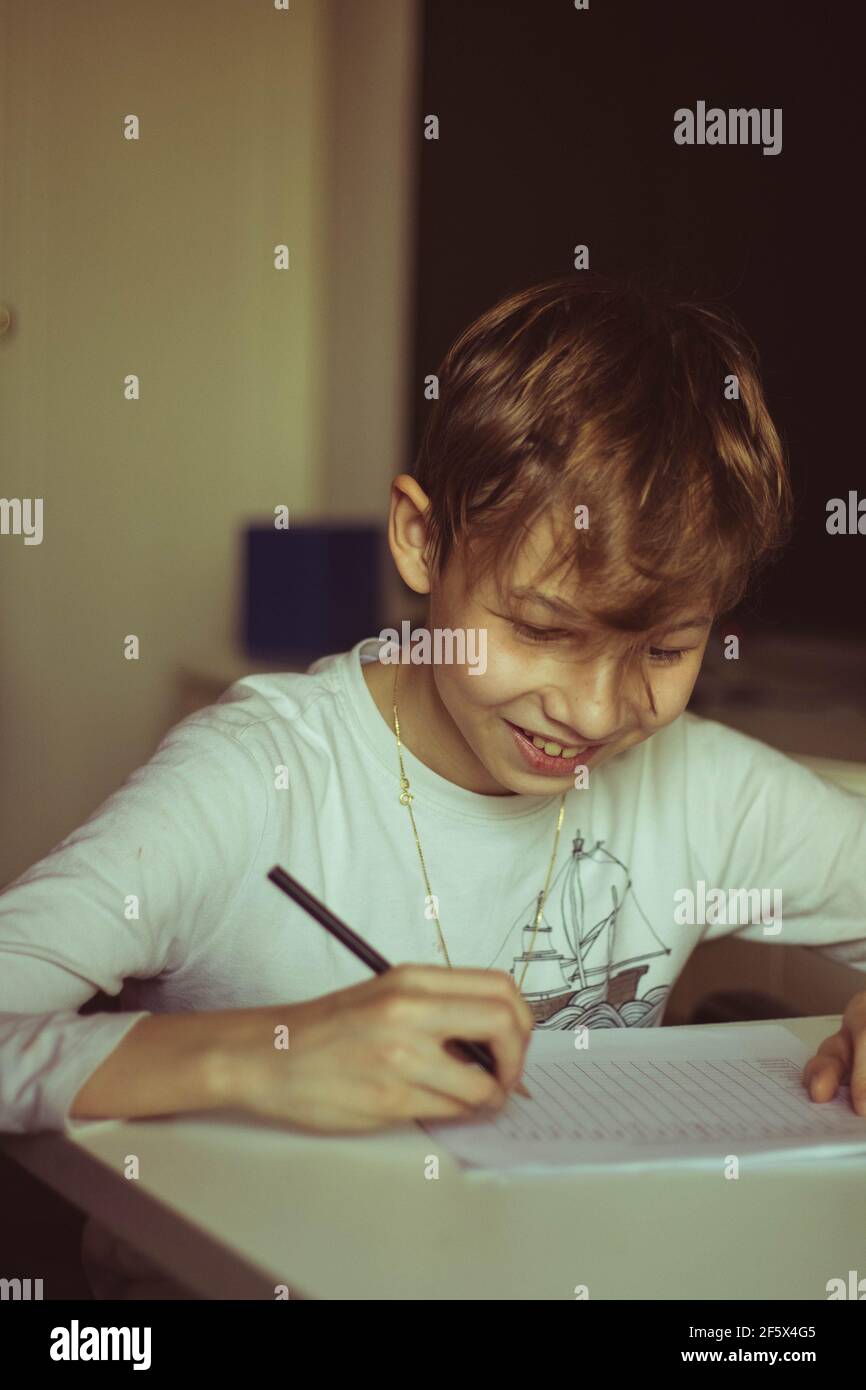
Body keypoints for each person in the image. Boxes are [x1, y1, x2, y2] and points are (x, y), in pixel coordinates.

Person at [2, 274, 864, 1300]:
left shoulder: (696, 784)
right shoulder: (257, 779)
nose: (593, 711)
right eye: (541, 630)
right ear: (420, 539)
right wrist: (260, 1055)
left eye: (662, 649)